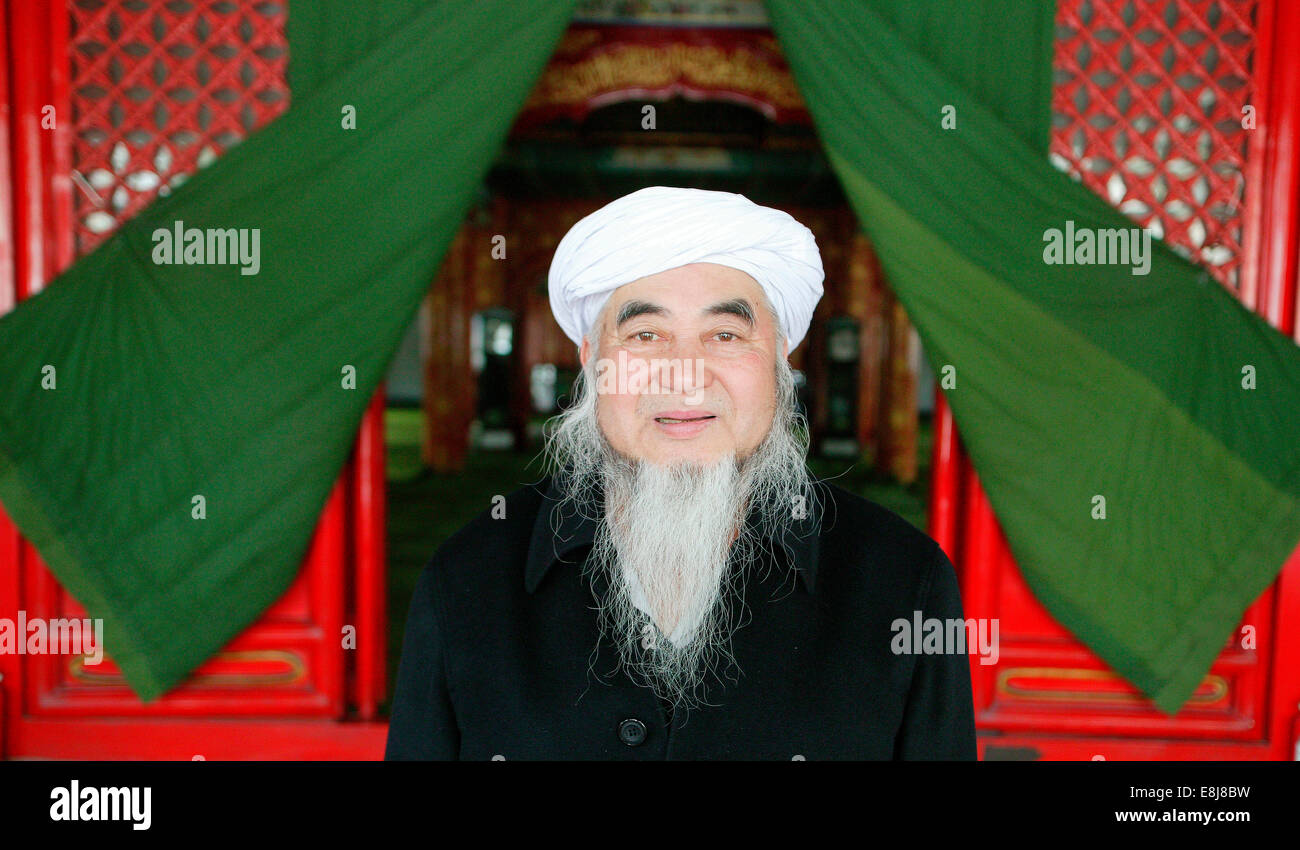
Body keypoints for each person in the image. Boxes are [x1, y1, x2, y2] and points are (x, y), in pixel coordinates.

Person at [385, 186, 976, 760]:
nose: (684, 376)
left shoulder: (905, 583)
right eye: (646, 335)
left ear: (778, 360)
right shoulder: (466, 580)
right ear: (592, 360)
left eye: (725, 335)